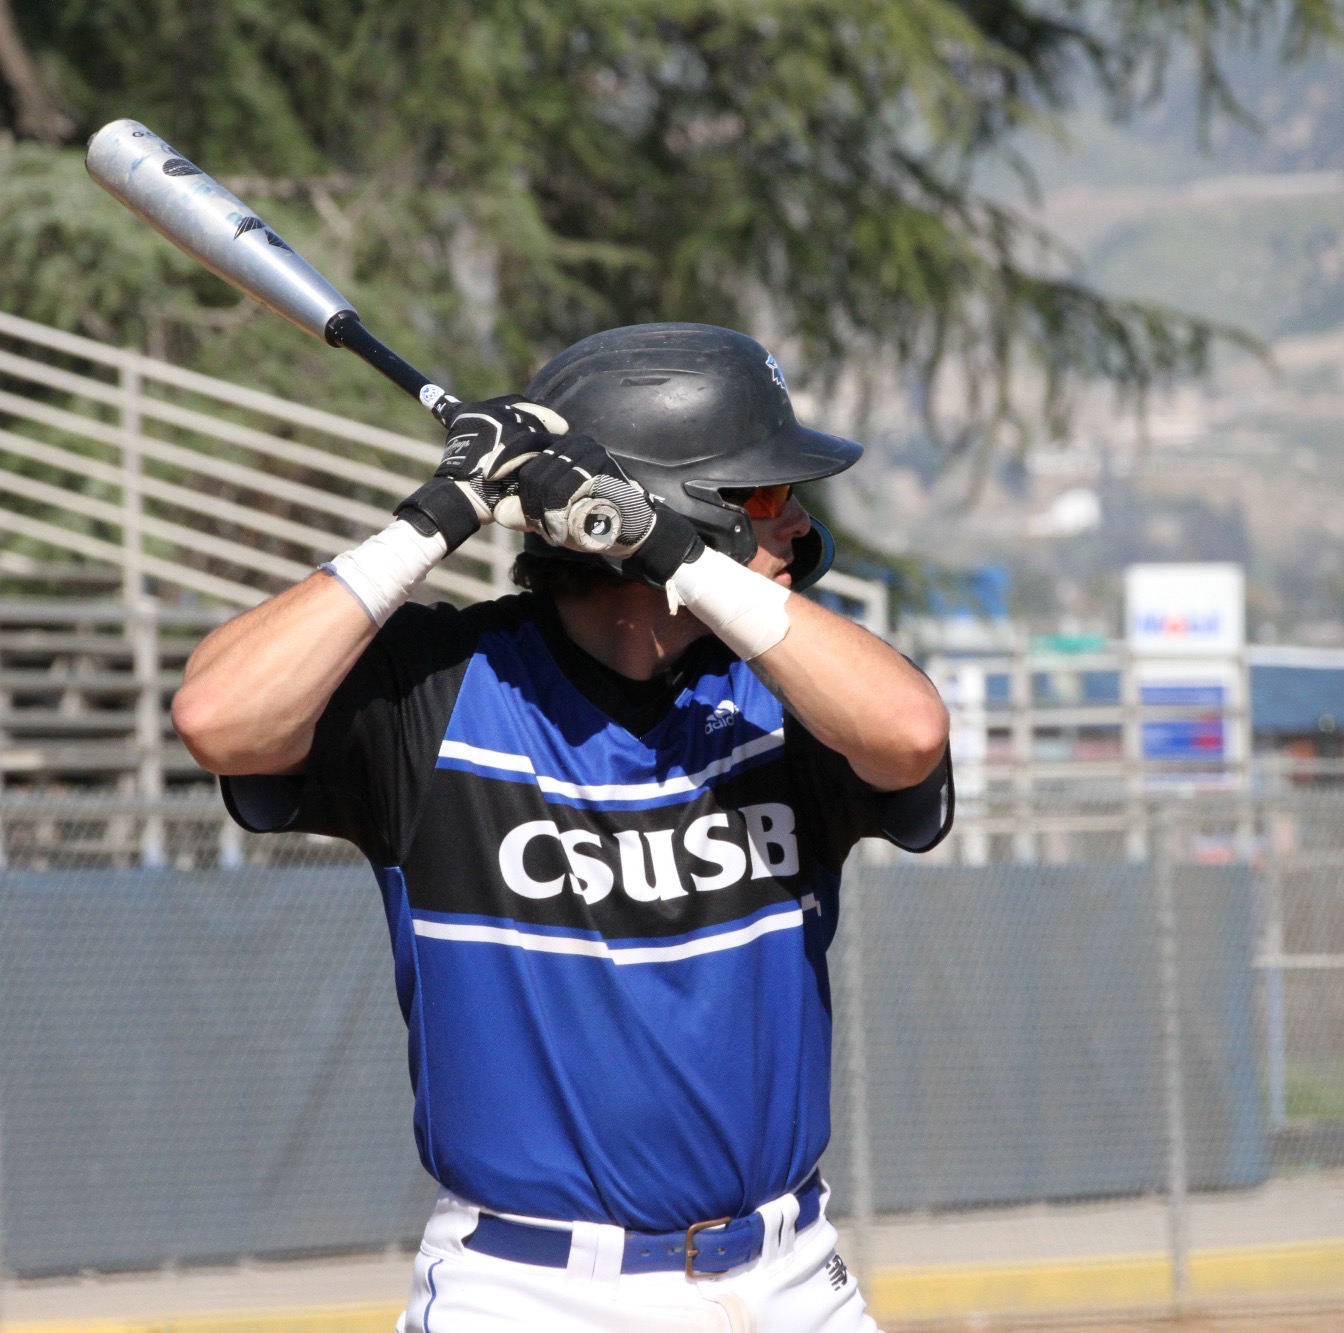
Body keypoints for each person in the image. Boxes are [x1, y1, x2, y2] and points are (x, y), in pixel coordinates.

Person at [174, 324, 952, 1331]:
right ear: (692, 506)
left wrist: (674, 549)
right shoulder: (440, 687)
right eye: (761, 498)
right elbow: (216, 719)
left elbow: (908, 734)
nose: (796, 522)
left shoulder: (781, 689)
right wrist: (434, 515)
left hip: (789, 1279)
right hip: (528, 1291)